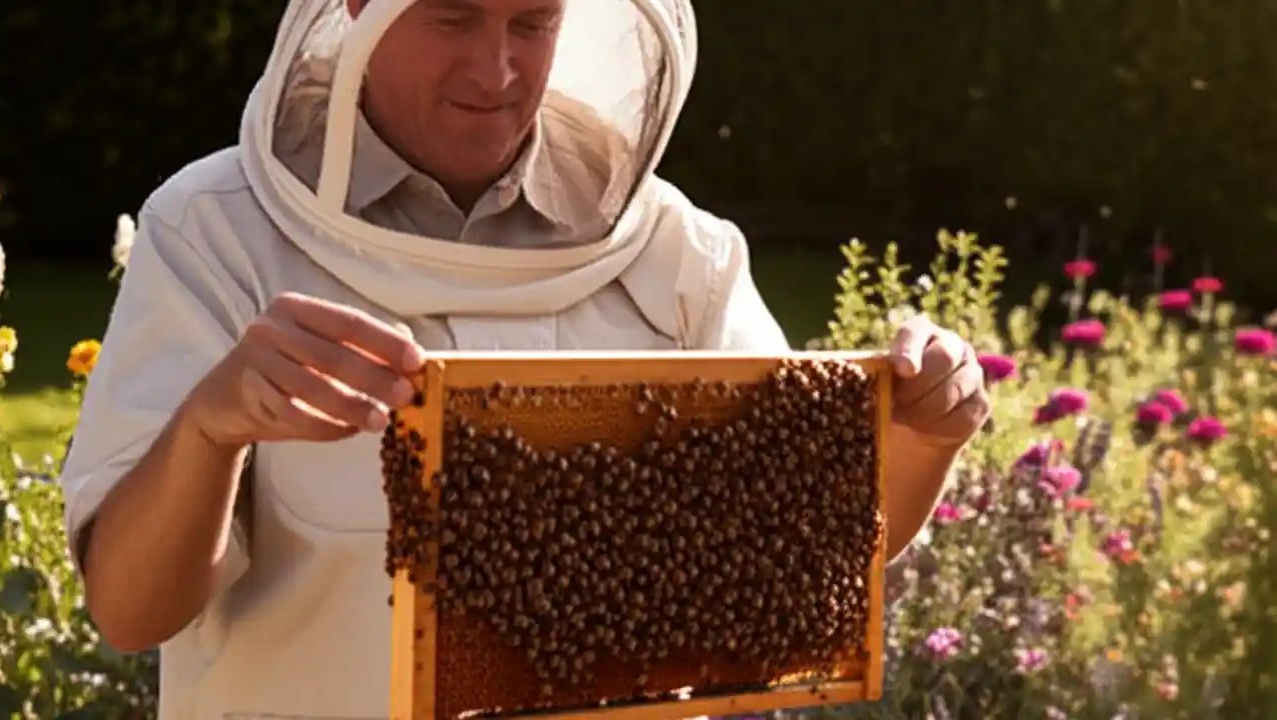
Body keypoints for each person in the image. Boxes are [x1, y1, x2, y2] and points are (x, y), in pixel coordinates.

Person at [60, 0, 992, 717]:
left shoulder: (678, 252)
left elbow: (798, 555)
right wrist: (208, 430)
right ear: (356, 8)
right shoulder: (213, 231)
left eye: (533, 21)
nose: (496, 66)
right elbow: (133, 613)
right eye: (454, 15)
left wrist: (921, 435)